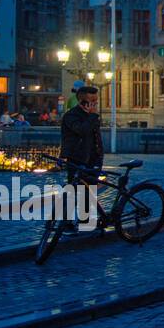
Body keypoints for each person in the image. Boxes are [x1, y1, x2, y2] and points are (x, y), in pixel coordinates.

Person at [59, 85, 105, 232]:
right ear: (82, 100)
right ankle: (66, 223)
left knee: (89, 191)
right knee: (73, 191)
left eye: (96, 100)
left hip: (93, 159)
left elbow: (95, 137)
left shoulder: (91, 116)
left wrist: (99, 155)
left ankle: (85, 222)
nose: (95, 103)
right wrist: (92, 116)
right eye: (92, 100)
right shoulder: (71, 116)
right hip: (77, 159)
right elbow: (82, 131)